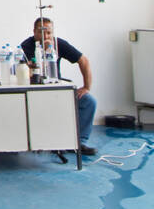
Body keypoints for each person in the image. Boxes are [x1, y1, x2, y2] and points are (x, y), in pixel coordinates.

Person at [21, 18, 97, 156]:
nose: (45, 36)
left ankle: (79, 143)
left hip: (57, 90)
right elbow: (20, 69)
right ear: (34, 32)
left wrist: (86, 86)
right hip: (35, 93)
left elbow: (83, 60)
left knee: (89, 101)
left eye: (49, 33)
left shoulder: (58, 43)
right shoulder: (26, 46)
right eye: (41, 32)